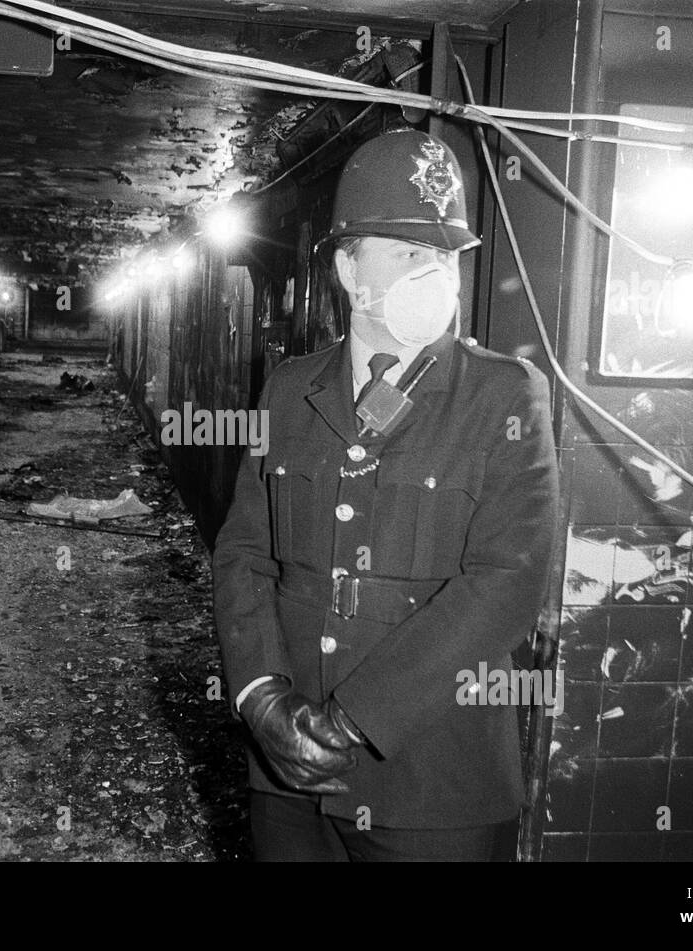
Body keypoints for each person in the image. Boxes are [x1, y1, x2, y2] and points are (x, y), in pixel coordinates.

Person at [212, 127, 561, 861]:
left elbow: (508, 582)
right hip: (289, 779)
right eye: (407, 252)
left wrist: (355, 719)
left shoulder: (505, 394)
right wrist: (261, 697)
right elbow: (244, 554)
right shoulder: (286, 391)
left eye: (443, 257)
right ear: (348, 266)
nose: (432, 274)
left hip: (436, 792)